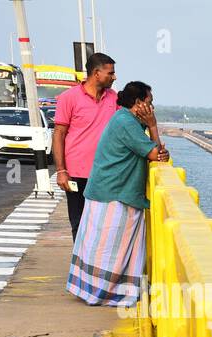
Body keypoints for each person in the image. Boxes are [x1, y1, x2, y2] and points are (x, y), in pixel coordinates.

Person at [66, 82, 169, 307]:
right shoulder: (126, 123)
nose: (152, 109)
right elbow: (156, 154)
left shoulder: (125, 119)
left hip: (110, 190)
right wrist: (153, 125)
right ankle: (100, 293)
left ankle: (97, 290)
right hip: (113, 193)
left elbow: (156, 152)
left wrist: (156, 144)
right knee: (109, 248)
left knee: (105, 247)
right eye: (150, 103)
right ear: (139, 103)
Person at [52, 52, 119, 238]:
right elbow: (59, 134)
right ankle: (80, 266)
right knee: (79, 224)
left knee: (103, 225)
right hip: (75, 174)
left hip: (105, 174)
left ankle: (97, 265)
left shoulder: (115, 99)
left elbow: (128, 129)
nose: (114, 77)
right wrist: (60, 171)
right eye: (110, 73)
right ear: (96, 73)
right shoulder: (69, 97)